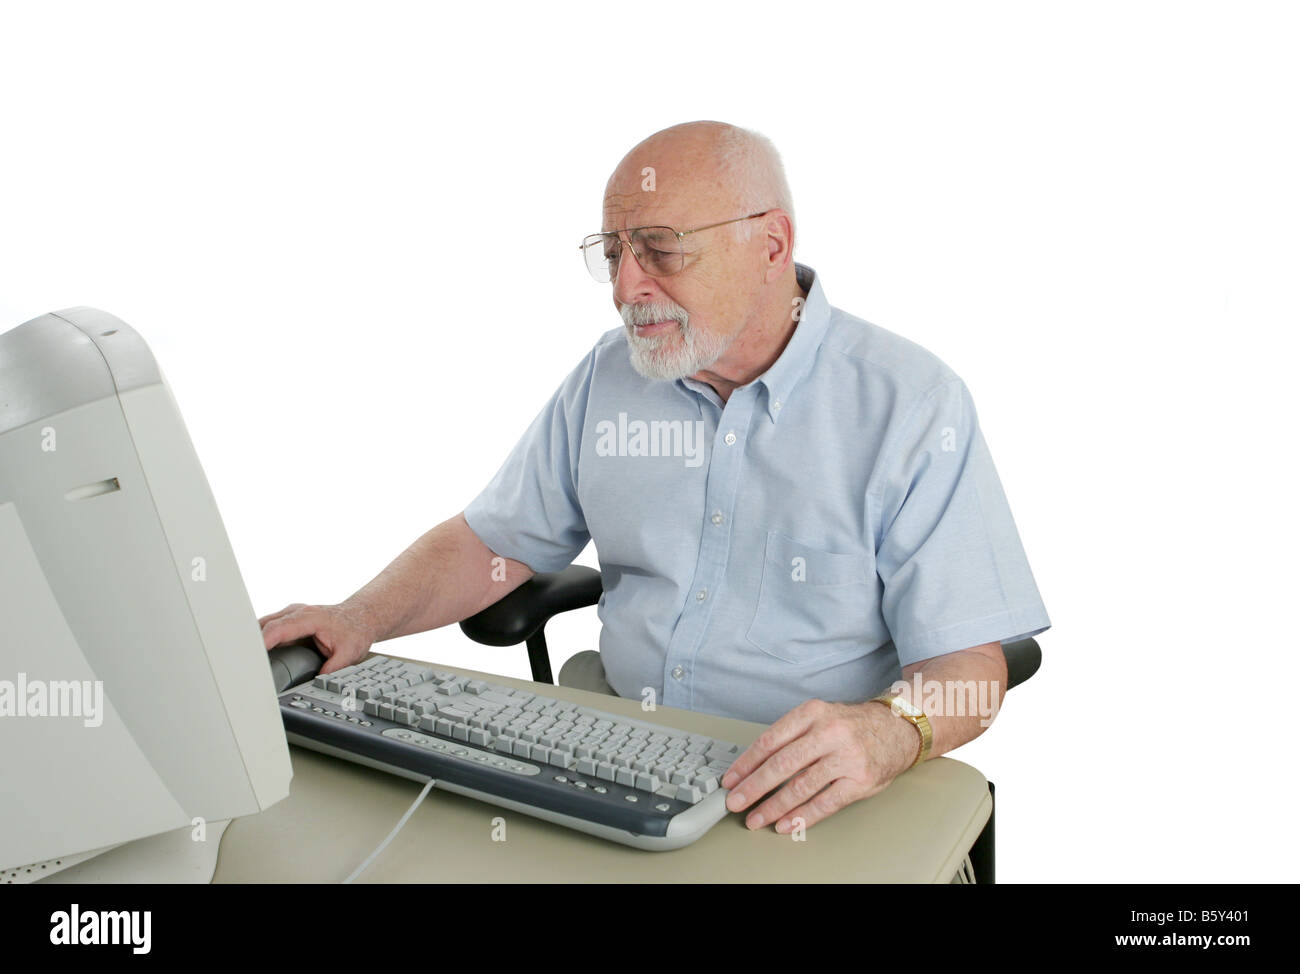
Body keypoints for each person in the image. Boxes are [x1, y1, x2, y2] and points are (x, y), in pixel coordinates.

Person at [261, 120, 1050, 834]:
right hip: (611, 745)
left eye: (660, 250)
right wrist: (357, 616)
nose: (625, 289)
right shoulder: (612, 376)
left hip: (799, 786)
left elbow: (970, 670)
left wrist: (888, 731)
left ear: (771, 244)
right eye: (612, 254)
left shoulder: (909, 403)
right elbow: (488, 545)